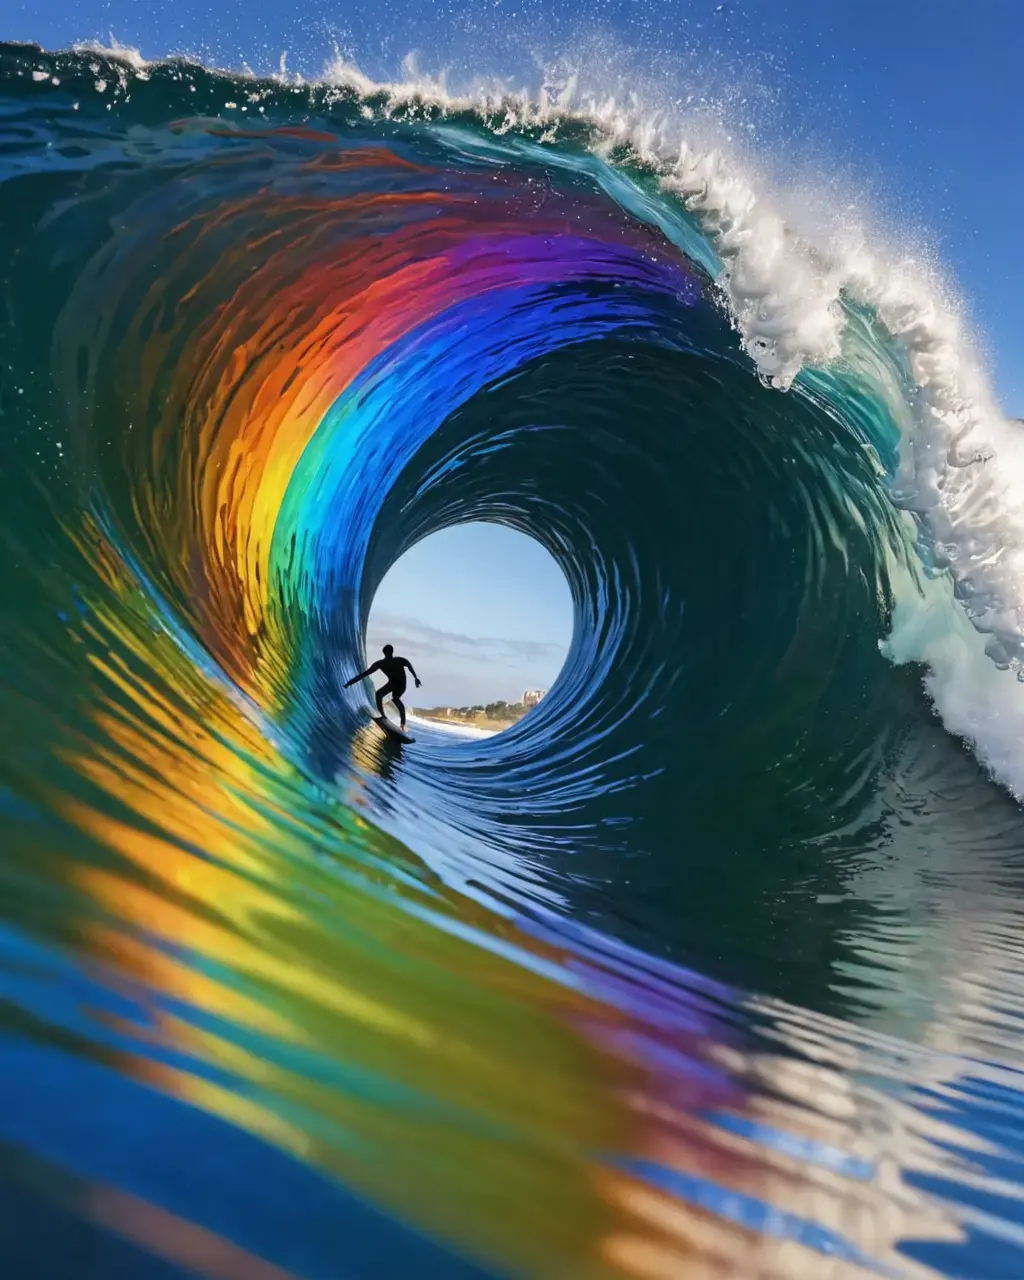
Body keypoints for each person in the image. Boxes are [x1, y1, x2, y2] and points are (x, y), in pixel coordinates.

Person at [344, 644, 421, 731]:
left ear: (384, 653)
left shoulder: (381, 663)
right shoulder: (400, 660)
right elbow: (409, 665)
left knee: (388, 697)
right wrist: (415, 677)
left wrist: (350, 682)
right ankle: (395, 721)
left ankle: (388, 718)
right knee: (390, 697)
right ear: (392, 651)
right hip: (401, 684)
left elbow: (365, 674)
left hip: (397, 684)